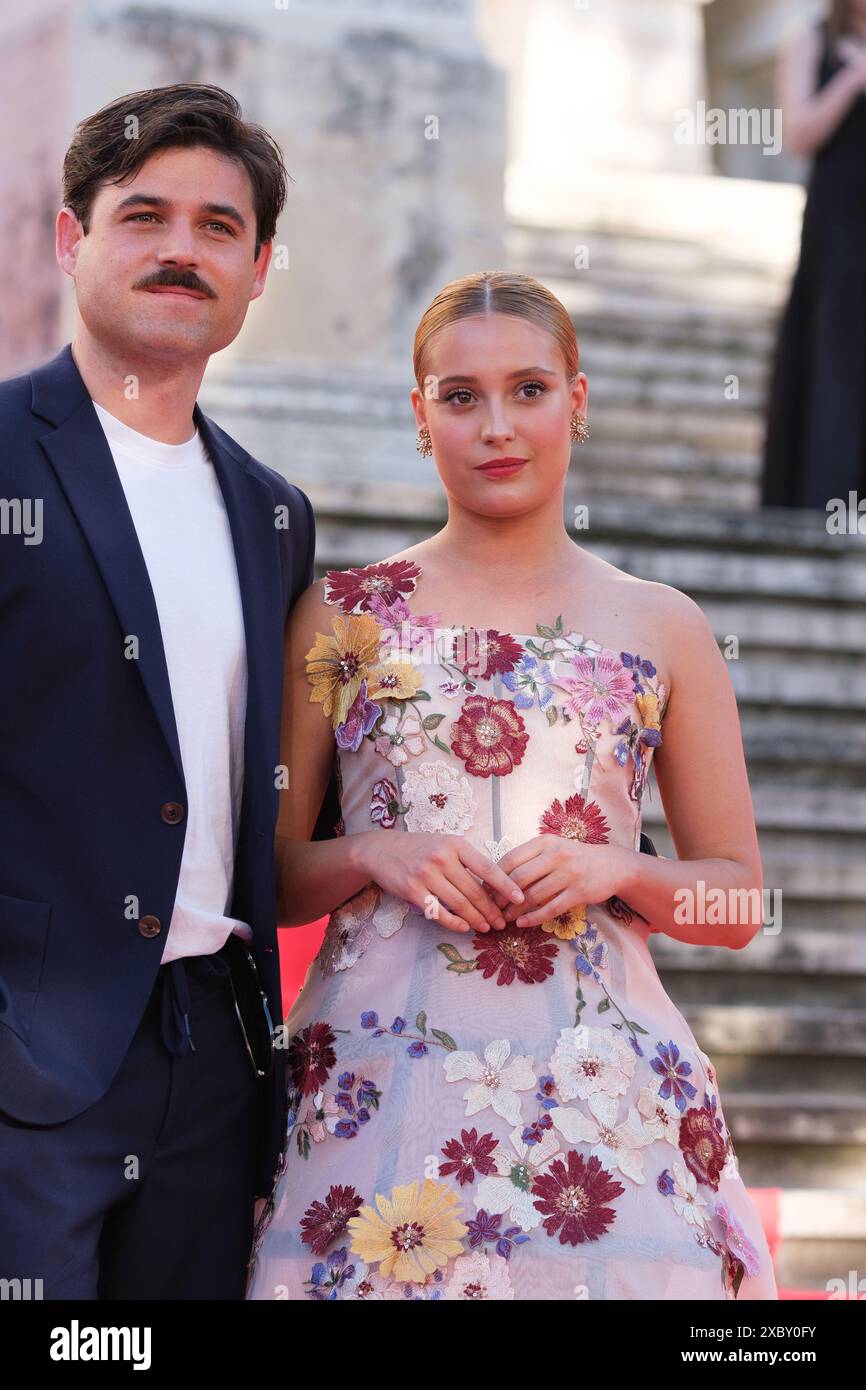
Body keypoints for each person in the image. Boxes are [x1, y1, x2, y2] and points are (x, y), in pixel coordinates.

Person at [246, 270, 779, 1300]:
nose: (496, 425)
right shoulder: (340, 612)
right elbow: (261, 879)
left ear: (575, 399)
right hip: (369, 1087)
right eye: (460, 397)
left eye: (527, 390)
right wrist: (368, 851)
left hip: (601, 1101)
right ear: (419, 416)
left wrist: (613, 867)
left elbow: (737, 901)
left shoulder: (661, 622)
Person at [0, 82, 314, 1298]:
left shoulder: (272, 512)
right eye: (145, 216)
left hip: (211, 1070)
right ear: (73, 238)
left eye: (218, 227)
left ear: (257, 266)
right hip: (31, 1061)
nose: (182, 250)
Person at [761, 0, 866, 508]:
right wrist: (852, 78)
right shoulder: (811, 39)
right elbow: (798, 134)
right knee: (834, 352)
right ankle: (821, 497)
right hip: (837, 231)